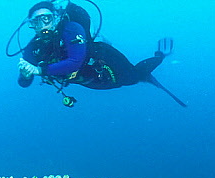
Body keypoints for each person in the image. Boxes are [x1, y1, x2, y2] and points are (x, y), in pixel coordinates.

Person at [18, 2, 186, 107]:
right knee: (132, 80)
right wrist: (26, 75)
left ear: (55, 18)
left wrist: (40, 71)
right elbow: (24, 83)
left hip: (105, 63)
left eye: (45, 19)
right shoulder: (33, 48)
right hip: (88, 80)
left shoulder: (71, 29)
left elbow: (75, 62)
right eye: (36, 22)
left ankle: (159, 55)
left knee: (135, 77)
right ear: (31, 25)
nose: (42, 25)